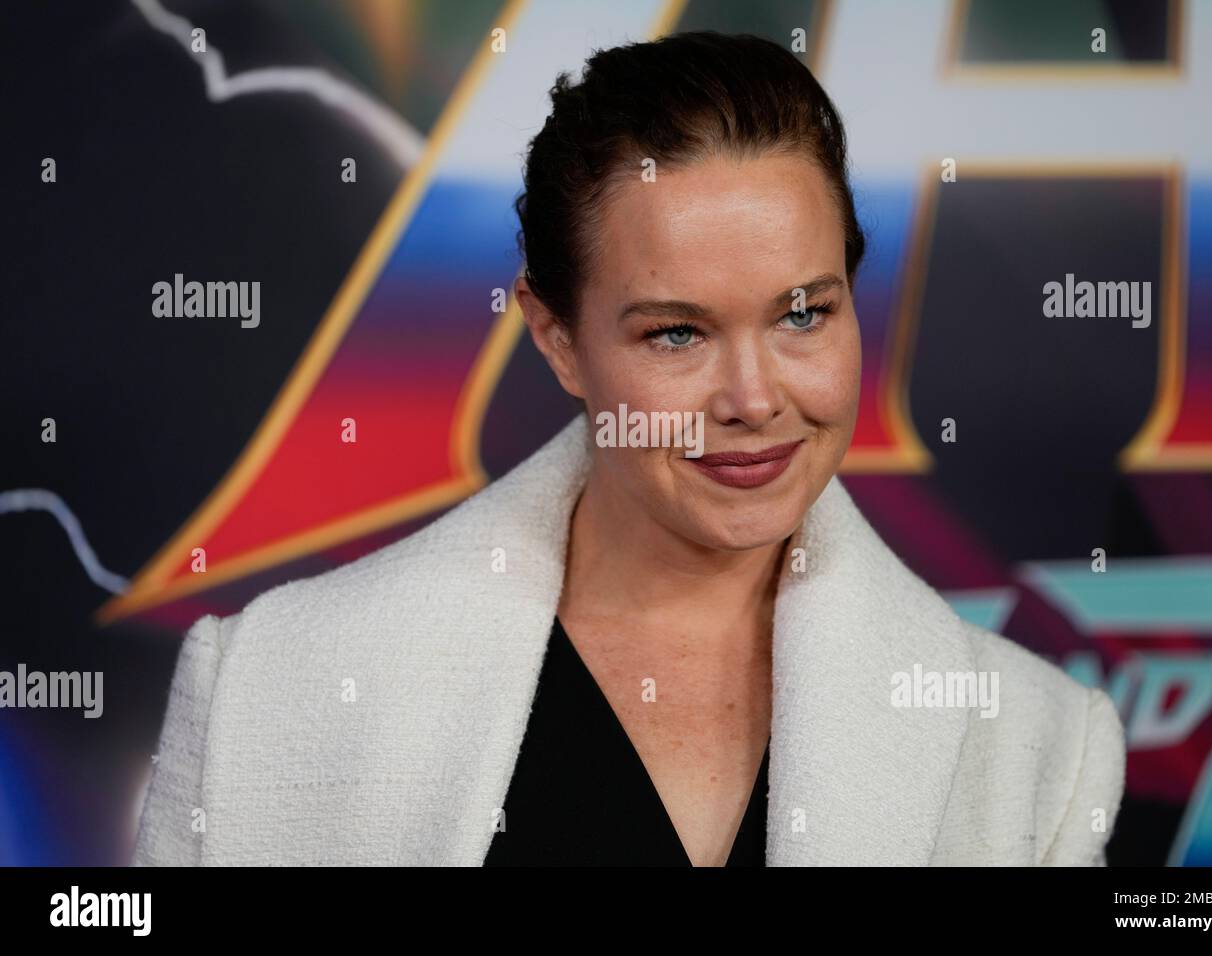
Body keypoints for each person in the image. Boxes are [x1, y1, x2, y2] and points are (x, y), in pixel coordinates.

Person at [132, 31, 1125, 867]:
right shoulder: (269, 686)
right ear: (557, 337)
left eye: (802, 315)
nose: (751, 398)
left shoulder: (1036, 743)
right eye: (676, 333)